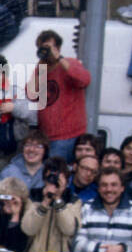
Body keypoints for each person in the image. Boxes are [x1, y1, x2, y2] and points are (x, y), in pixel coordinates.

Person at [28, 30, 90, 161]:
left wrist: (59, 58)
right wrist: (40, 67)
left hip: (66, 136)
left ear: (58, 48)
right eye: (42, 48)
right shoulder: (42, 68)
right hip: (46, 136)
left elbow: (84, 80)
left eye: (48, 47)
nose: (45, 51)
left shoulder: (70, 63)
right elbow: (31, 94)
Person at [0, 130, 49, 201]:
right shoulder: (9, 172)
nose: (31, 149)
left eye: (38, 146)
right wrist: (12, 199)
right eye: (28, 145)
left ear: (45, 151)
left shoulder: (49, 172)